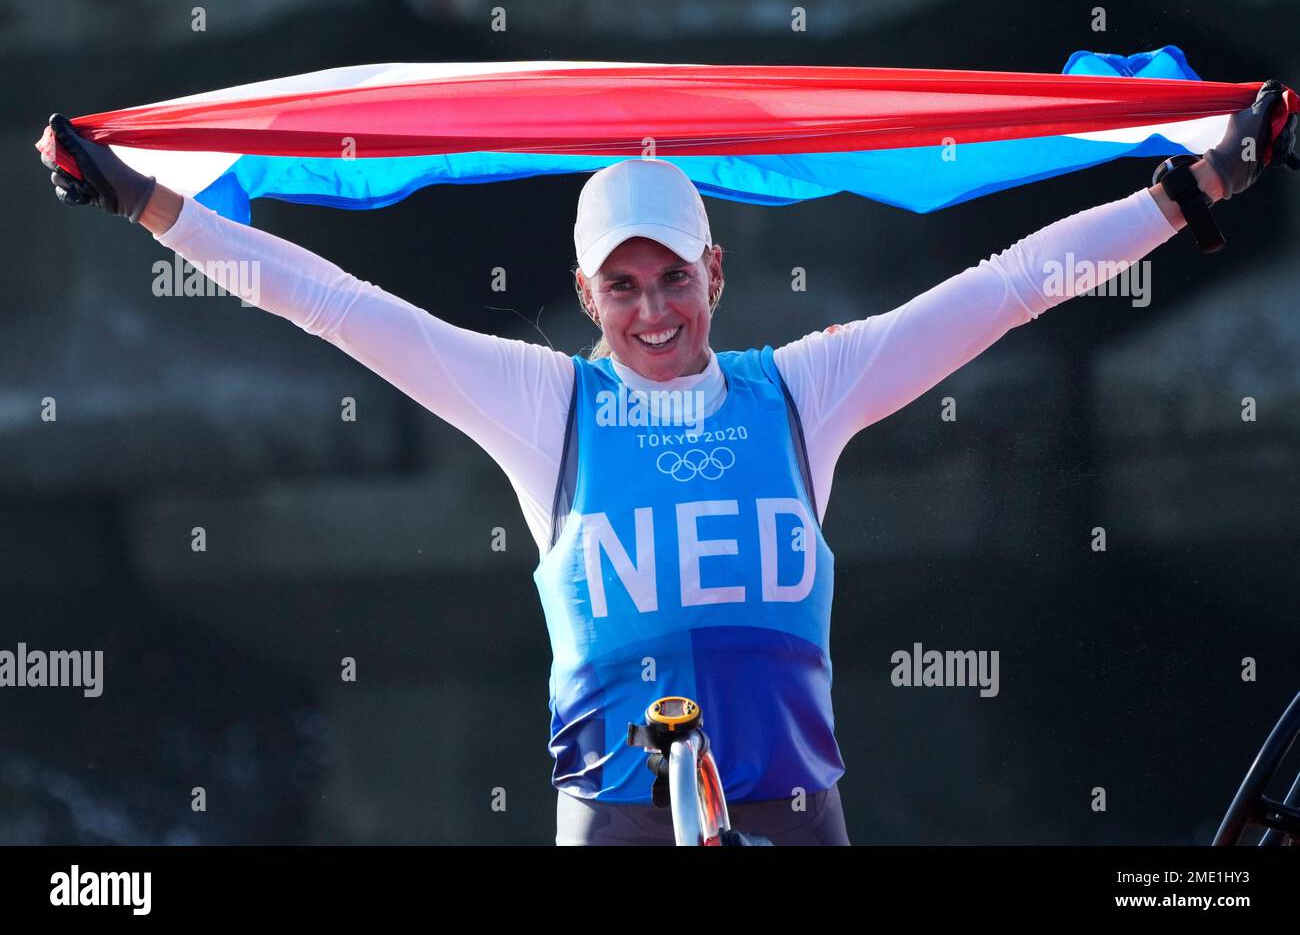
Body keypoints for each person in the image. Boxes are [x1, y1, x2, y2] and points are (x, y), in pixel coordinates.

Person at [40, 81, 1296, 845]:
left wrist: (1189, 193)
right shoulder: (541, 401)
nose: (652, 311)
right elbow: (331, 304)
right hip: (618, 815)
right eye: (624, 286)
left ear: (714, 276)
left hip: (796, 804)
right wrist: (154, 205)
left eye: (674, 280)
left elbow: (1009, 290)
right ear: (586, 292)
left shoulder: (808, 386)